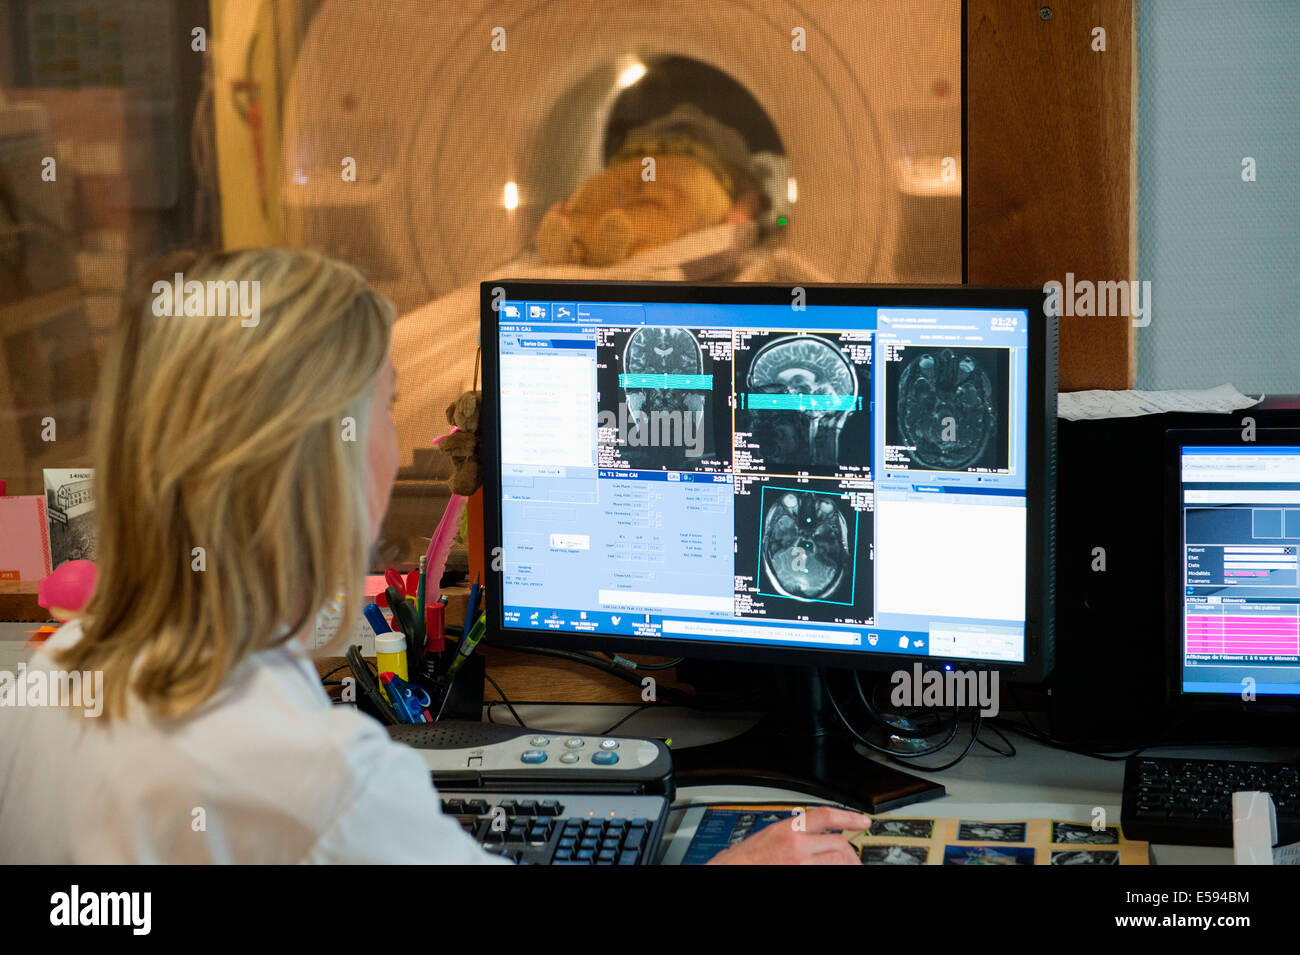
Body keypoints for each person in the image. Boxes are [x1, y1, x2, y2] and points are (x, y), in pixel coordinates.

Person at [0, 248, 868, 864]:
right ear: (323, 460)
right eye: (385, 406)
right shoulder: (327, 781)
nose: (395, 439)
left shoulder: (43, 691)